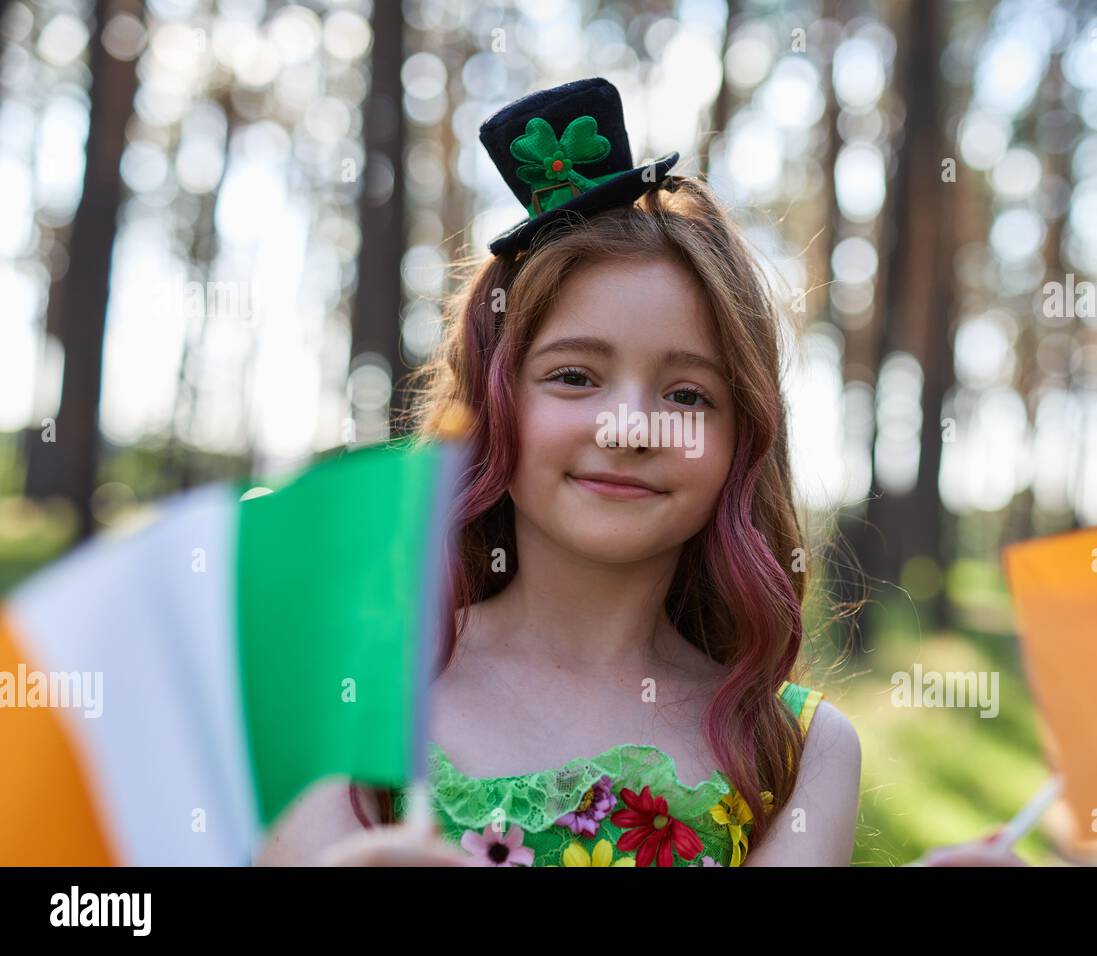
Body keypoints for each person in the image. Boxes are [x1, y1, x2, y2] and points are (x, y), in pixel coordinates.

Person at [256, 77, 1024, 867]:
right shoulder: (350, 695)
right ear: (496, 404)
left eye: (687, 394)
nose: (627, 429)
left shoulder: (793, 754)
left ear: (742, 439)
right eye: (575, 377)